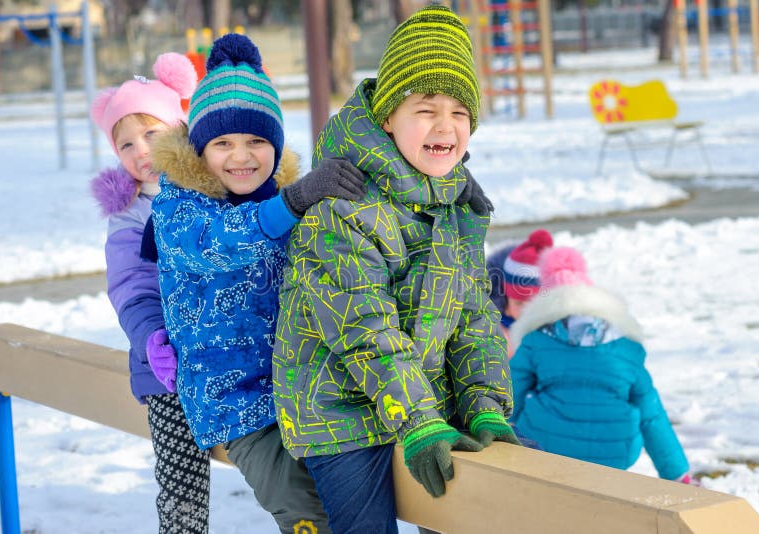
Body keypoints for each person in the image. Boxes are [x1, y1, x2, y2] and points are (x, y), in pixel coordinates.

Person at [272, 6, 519, 533]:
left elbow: (474, 317)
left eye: (459, 112)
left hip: (419, 400)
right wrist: (419, 421)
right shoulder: (344, 204)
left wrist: (484, 405)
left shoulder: (458, 206)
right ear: (387, 119)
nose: (445, 126)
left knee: (474, 510)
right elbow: (364, 328)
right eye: (425, 109)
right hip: (340, 409)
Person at [150, 34, 367, 534]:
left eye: (256, 141)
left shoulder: (284, 203)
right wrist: (292, 202)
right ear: (198, 152)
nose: (241, 156)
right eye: (222, 144)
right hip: (234, 402)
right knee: (302, 506)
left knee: (363, 487)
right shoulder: (180, 209)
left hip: (303, 386)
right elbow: (221, 241)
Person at [89, 52, 211, 532]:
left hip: (235, 355)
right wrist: (153, 339)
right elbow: (131, 287)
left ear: (180, 129)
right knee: (182, 487)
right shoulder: (129, 215)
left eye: (152, 134)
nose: (140, 151)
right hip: (167, 367)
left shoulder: (215, 186)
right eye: (125, 144)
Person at [508, 246, 699, 485]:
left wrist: (502, 442)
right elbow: (652, 414)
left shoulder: (536, 341)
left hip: (548, 447)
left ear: (545, 304)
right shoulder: (625, 346)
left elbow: (509, 395)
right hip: (615, 452)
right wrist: (677, 473)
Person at [488, 229, 553, 356]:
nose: (525, 310)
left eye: (532, 303)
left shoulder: (550, 327)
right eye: (519, 303)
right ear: (506, 300)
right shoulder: (496, 327)